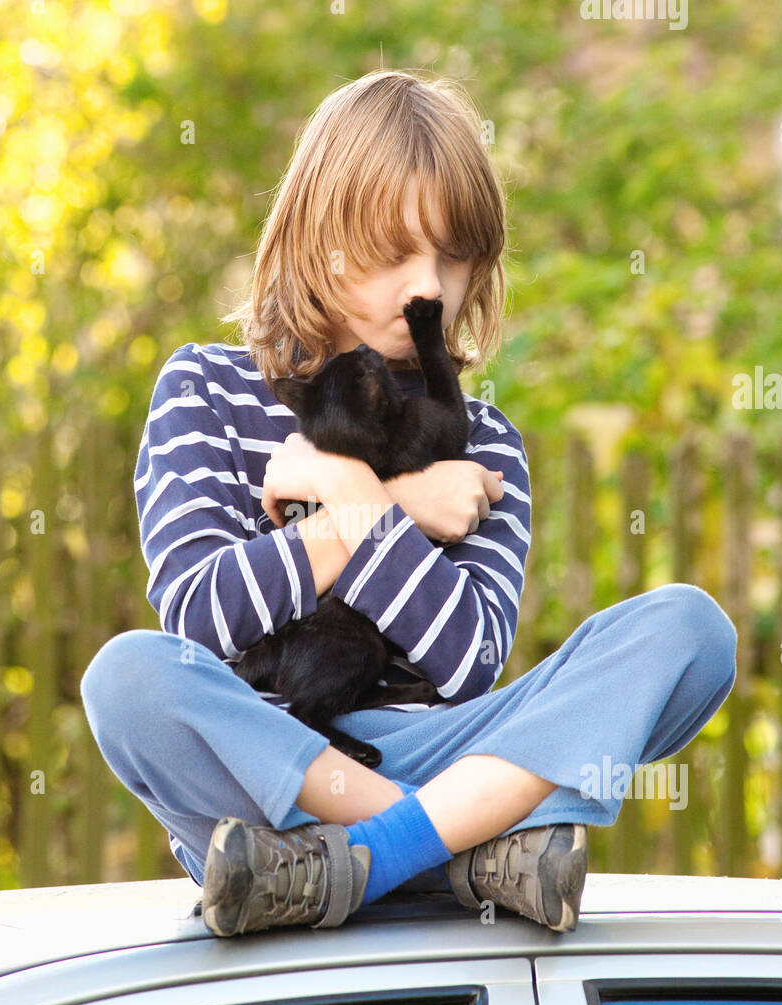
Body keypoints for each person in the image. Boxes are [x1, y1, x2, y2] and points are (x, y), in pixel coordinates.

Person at [80, 69, 738, 939]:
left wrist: (349, 493)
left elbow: (467, 660)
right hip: (272, 774)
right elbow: (200, 619)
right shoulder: (204, 388)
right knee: (128, 678)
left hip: (445, 760)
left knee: (691, 632)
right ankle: (458, 857)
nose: (427, 285)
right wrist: (381, 511)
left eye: (453, 255)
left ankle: (361, 864)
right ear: (319, 238)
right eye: (393, 252)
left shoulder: (483, 441)